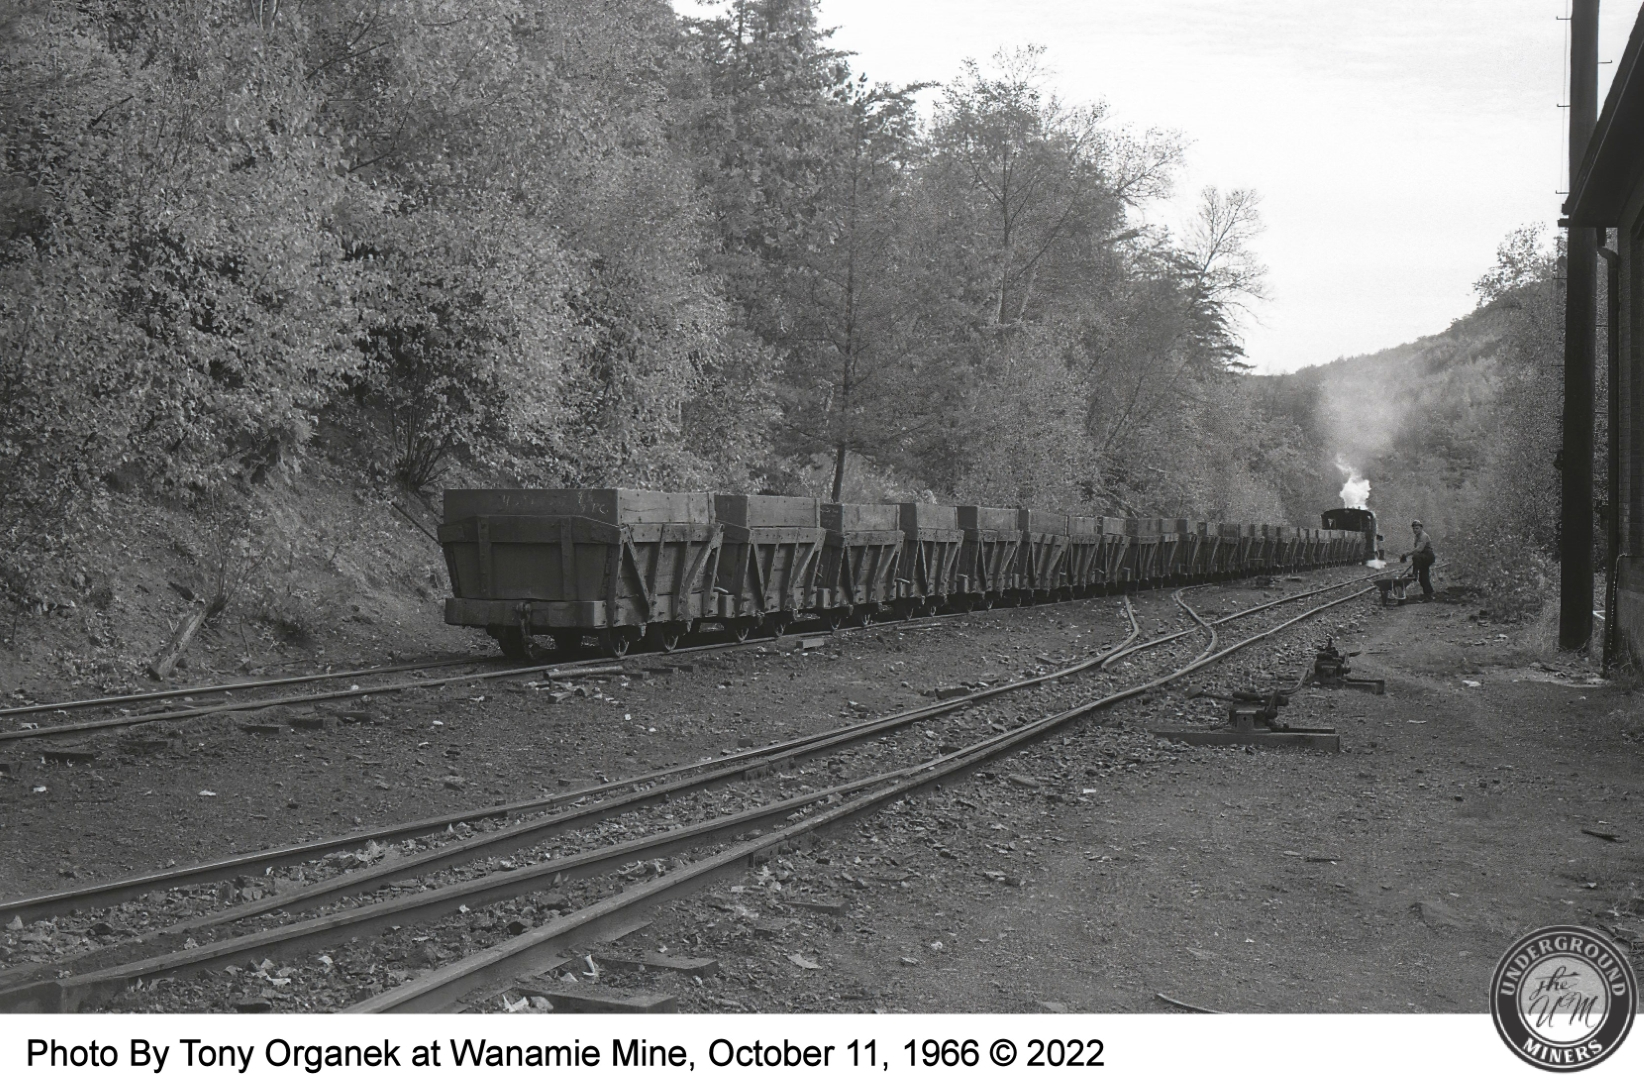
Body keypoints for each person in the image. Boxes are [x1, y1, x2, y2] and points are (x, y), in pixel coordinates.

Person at [1400, 520, 1435, 601]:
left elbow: (1419, 549)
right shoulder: (1417, 536)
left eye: (1417, 528)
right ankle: (1429, 594)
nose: (1415, 530)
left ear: (1421, 528)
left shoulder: (1423, 536)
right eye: (1414, 529)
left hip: (1428, 556)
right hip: (1423, 557)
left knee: (1416, 557)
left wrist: (1406, 554)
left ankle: (1414, 574)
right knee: (1423, 577)